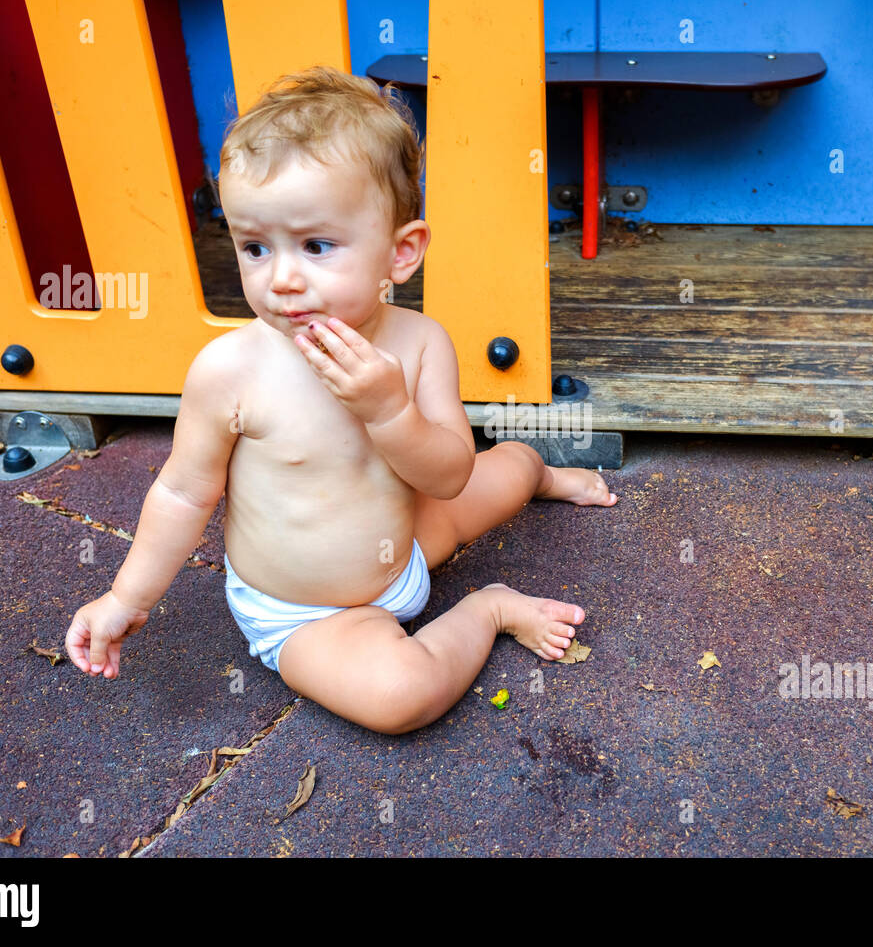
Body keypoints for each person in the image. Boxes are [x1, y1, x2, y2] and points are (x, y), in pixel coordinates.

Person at [65, 66, 617, 735]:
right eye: (255, 247)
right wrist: (126, 597)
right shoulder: (229, 370)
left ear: (401, 252)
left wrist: (390, 410)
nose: (282, 279)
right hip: (311, 614)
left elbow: (448, 475)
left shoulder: (418, 344)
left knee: (503, 473)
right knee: (399, 698)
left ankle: (541, 471)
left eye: (317, 245)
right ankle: (491, 609)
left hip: (410, 539)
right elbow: (183, 493)